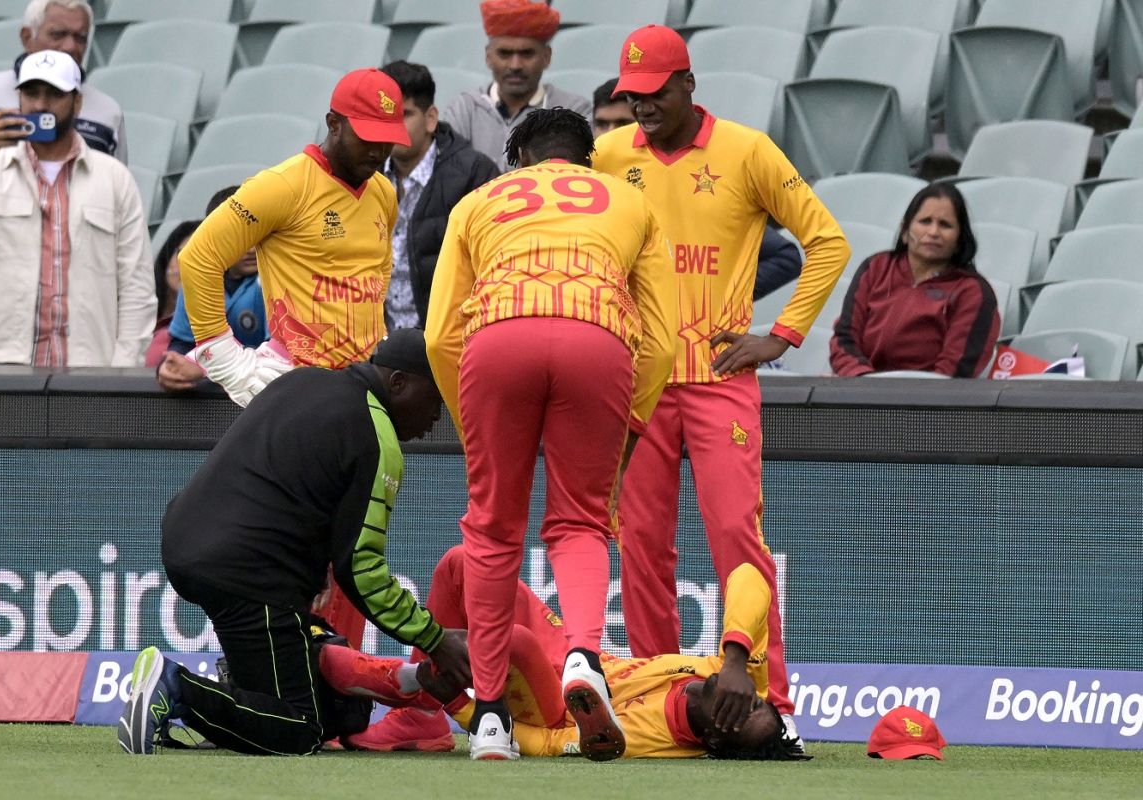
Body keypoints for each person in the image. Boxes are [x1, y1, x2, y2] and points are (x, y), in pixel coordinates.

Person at [591, 24, 851, 748]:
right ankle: (658, 694)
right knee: (640, 542)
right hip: (638, 381)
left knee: (738, 538)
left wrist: (783, 334)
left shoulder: (747, 150)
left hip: (719, 377)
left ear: (688, 85)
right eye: (629, 96)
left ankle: (774, 704)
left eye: (652, 94)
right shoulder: (608, 156)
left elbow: (827, 241)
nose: (640, 108)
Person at [424, 107, 679, 762]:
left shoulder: (479, 202)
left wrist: (468, 418)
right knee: (582, 523)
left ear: (522, 164)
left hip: (498, 338)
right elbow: (661, 339)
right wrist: (634, 422)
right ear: (583, 161)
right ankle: (585, 659)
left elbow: (439, 334)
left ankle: (488, 718)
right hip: (597, 340)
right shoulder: (630, 202)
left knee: (490, 528)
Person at [119, 329, 470, 757]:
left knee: (338, 708)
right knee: (300, 728)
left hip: (186, 542)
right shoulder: (377, 435)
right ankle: (174, 687)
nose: (438, 416)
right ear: (398, 383)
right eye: (435, 400)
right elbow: (361, 570)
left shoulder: (303, 380)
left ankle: (233, 693)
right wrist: (434, 638)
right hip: (250, 572)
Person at [325, 544, 807, 761]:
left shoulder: (650, 743)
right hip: (569, 653)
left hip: (551, 707)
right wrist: (739, 658)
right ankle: (421, 713)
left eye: (737, 721)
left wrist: (461, 706)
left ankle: (410, 684)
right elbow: (750, 575)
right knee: (462, 564)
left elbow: (544, 745)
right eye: (755, 704)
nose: (740, 703)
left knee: (513, 641)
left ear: (715, 744)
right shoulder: (735, 673)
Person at [177, 67, 408, 407]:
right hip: (296, 383)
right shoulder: (283, 185)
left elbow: (378, 272)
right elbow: (198, 257)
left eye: (387, 139)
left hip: (364, 384)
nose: (378, 151)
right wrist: (224, 359)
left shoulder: (384, 193)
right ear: (333, 123)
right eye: (367, 138)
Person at [0, 50, 153, 367]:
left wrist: (121, 365)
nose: (41, 105)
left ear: (77, 102)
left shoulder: (114, 178)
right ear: (19, 99)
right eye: (32, 93)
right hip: (3, 362)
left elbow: (136, 284)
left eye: (55, 94)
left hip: (89, 367)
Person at [592, 85, 805, 301]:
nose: (611, 133)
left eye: (622, 124)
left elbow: (785, 257)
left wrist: (714, 297)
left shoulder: (691, 183)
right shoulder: (588, 186)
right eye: (601, 124)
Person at [830, 182, 1000, 377]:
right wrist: (861, 381)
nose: (933, 232)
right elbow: (844, 338)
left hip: (925, 402)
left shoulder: (973, 292)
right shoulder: (875, 267)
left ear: (960, 239)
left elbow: (954, 373)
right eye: (925, 221)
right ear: (904, 230)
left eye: (945, 225)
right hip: (860, 388)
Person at [378, 61, 500, 331]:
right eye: (385, 117)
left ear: (431, 118)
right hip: (375, 346)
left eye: (404, 115)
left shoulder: (475, 173)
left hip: (447, 342)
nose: (392, 127)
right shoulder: (365, 173)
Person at [441, 0, 593, 172]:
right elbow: (452, 177)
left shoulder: (574, 110)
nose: (515, 65)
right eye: (504, 53)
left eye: (527, 53)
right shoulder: (464, 109)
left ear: (547, 56)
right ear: (488, 56)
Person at [154, 187, 268, 391]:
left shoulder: (274, 283)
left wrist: (207, 367)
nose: (251, 248)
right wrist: (170, 367)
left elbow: (276, 356)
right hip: (210, 409)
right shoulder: (194, 281)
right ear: (215, 238)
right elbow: (182, 345)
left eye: (257, 236)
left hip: (264, 399)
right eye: (240, 237)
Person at [145, 220, 199, 368]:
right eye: (186, 253)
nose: (193, 264)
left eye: (203, 255)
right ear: (166, 258)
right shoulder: (135, 316)